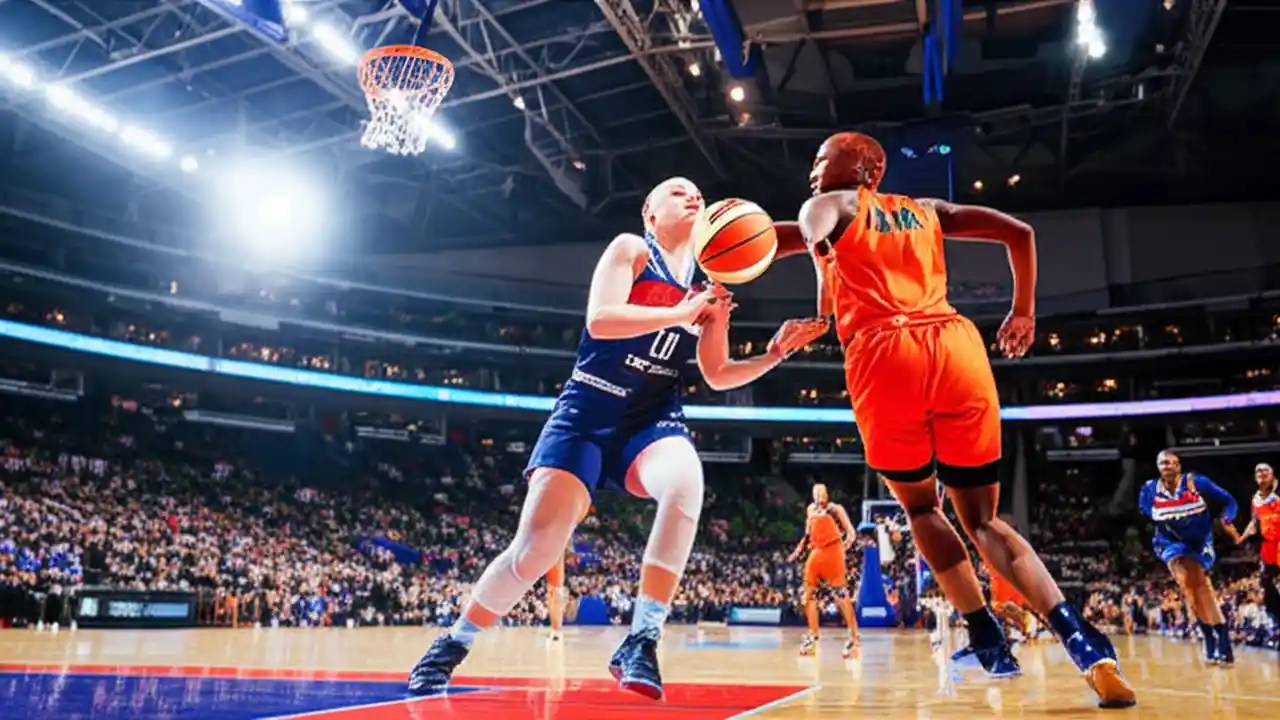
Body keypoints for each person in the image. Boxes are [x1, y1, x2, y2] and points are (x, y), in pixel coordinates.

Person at [407, 177, 826, 700]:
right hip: (586, 411)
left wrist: (774, 354)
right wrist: (681, 312)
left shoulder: (709, 287)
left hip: (650, 420)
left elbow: (717, 374)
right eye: (677, 191)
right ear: (649, 213)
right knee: (534, 552)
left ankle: (642, 639)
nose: (692, 196)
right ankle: (453, 643)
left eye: (697, 193)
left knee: (685, 481)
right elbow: (601, 321)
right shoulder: (631, 250)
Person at [784, 131, 1135, 708]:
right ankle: (1082, 639)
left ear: (868, 168)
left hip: (884, 355)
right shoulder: (928, 210)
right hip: (956, 349)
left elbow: (811, 248)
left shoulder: (828, 205)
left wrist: (789, 267)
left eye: (823, 158)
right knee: (985, 520)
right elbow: (1019, 233)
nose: (813, 169)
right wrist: (1023, 312)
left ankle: (985, 634)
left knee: (923, 508)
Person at [1139, 449, 1239, 665]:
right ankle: (1213, 638)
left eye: (1170, 462)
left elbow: (1229, 501)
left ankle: (1219, 636)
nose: (1166, 466)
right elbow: (1147, 513)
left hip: (1200, 541)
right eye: (1162, 463)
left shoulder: (1198, 483)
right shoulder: (1149, 489)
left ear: (1178, 466)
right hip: (1170, 543)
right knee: (1187, 581)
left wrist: (1227, 520)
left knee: (1199, 587)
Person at [785, 483, 860, 658]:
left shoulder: (835, 509)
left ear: (827, 494)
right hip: (816, 551)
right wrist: (798, 550)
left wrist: (843, 548)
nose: (819, 496)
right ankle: (813, 636)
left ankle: (854, 638)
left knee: (840, 595)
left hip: (833, 550)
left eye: (822, 493)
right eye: (816, 493)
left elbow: (851, 532)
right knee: (808, 596)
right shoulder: (810, 510)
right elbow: (807, 534)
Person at [1238, 461, 1280, 622]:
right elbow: (1254, 522)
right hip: (1268, 544)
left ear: (1273, 473)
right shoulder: (1256, 499)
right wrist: (1241, 537)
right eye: (1258, 471)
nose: (1262, 473)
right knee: (1266, 583)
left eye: (1265, 470)